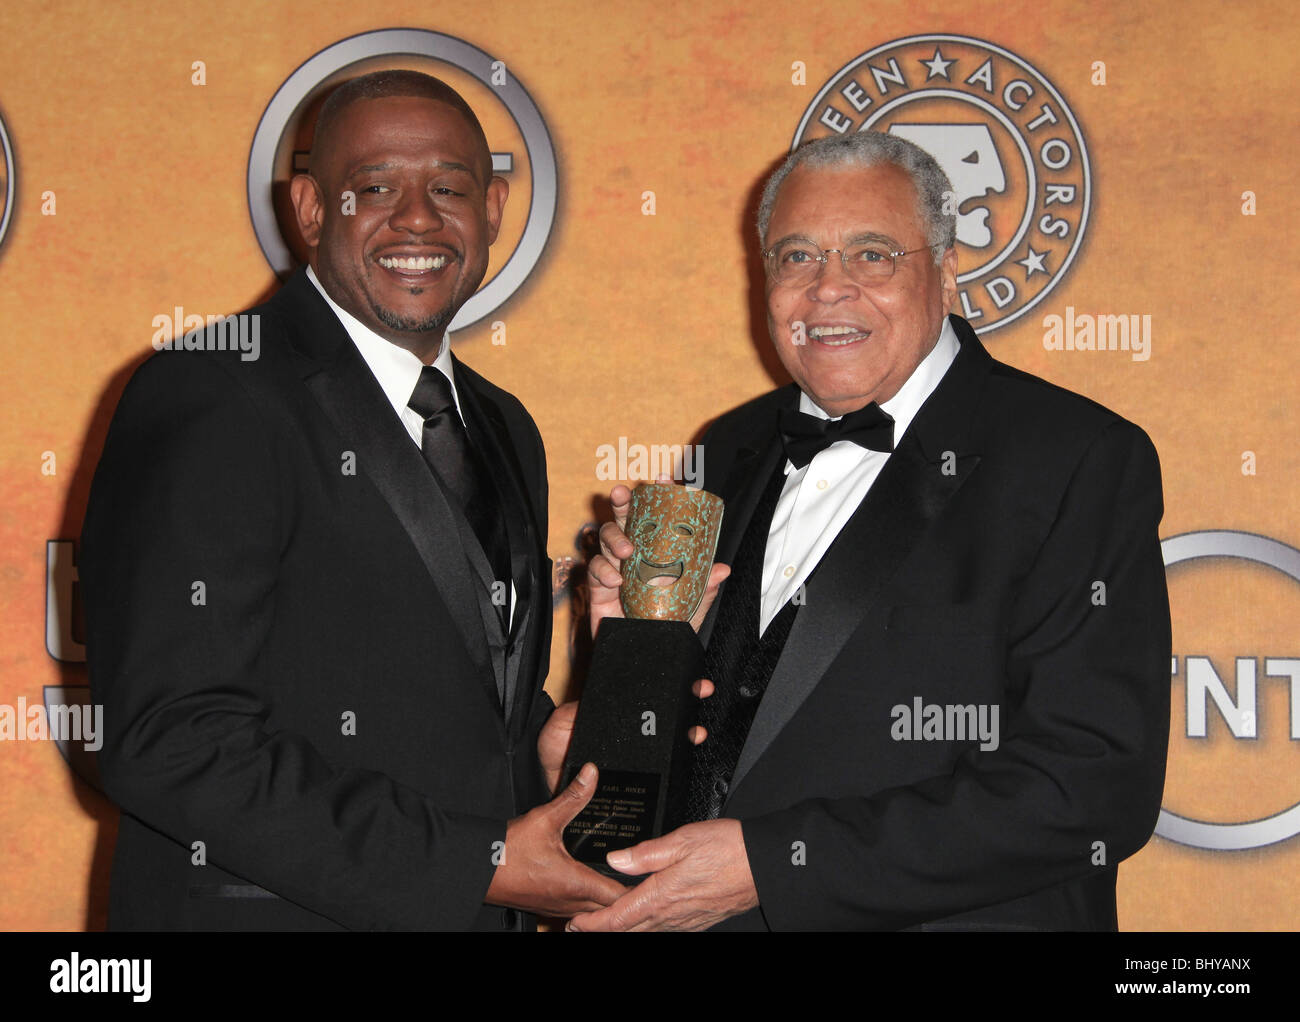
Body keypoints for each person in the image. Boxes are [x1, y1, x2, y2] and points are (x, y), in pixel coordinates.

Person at [575, 131, 1171, 931]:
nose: (828, 290)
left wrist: (774, 865)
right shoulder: (725, 449)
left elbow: (1092, 785)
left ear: (948, 271)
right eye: (796, 258)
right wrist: (629, 664)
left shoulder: (1075, 456)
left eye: (873, 254)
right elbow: (689, 754)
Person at [80, 70, 625, 930]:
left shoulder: (503, 424)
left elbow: (445, 702)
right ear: (306, 211)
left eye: (449, 187)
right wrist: (474, 864)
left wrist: (546, 746)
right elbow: (167, 738)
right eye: (374, 188)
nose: (417, 217)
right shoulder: (215, 392)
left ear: (492, 212)